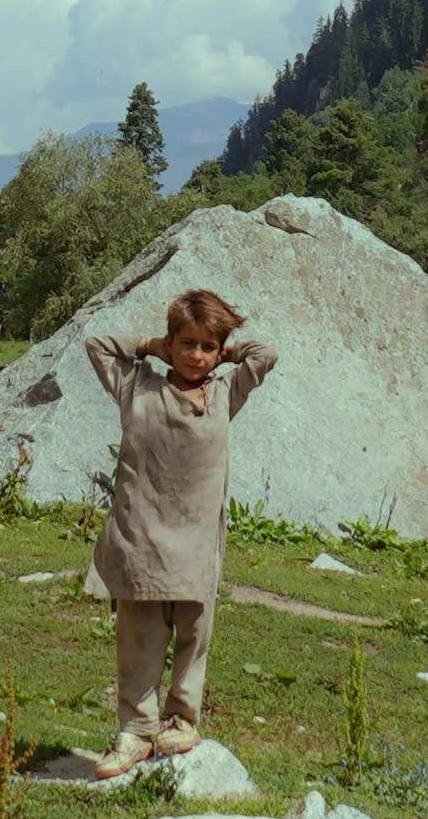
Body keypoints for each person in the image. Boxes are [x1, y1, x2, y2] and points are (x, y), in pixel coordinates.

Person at [80, 286, 281, 765]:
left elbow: (264, 354)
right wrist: (150, 346)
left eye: (207, 346)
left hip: (195, 541)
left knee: (193, 635)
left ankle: (182, 722)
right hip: (140, 536)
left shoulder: (225, 393)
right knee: (139, 638)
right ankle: (135, 730)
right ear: (170, 343)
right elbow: (97, 344)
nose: (196, 355)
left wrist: (224, 349)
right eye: (186, 343)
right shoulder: (136, 385)